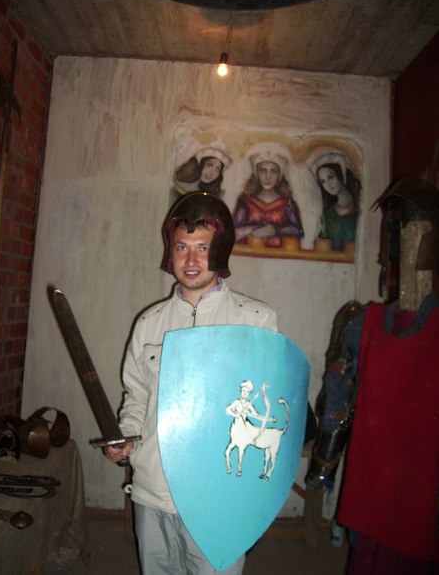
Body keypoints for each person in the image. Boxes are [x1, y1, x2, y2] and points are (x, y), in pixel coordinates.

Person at [105, 191, 278, 575]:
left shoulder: (256, 321)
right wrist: (127, 435)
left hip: (220, 497)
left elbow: (267, 404)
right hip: (154, 488)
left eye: (203, 248)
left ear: (221, 250)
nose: (191, 260)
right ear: (170, 251)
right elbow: (137, 396)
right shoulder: (149, 323)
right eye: (182, 247)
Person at [306, 176, 439, 572]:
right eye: (402, 230)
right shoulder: (361, 323)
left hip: (424, 492)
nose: (407, 241)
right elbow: (336, 405)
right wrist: (323, 468)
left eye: (417, 231)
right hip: (372, 485)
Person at [233, 146, 303, 247]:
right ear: (256, 173)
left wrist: (274, 230)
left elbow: (298, 231)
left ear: (279, 175)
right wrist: (257, 229)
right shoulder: (245, 202)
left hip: (279, 255)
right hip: (249, 254)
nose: (268, 177)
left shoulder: (287, 204)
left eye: (274, 171)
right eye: (263, 170)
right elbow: (233, 233)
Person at [310, 153, 361, 251]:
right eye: (323, 181)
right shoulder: (327, 214)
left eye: (331, 177)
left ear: (341, 175)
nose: (328, 185)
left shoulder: (360, 205)